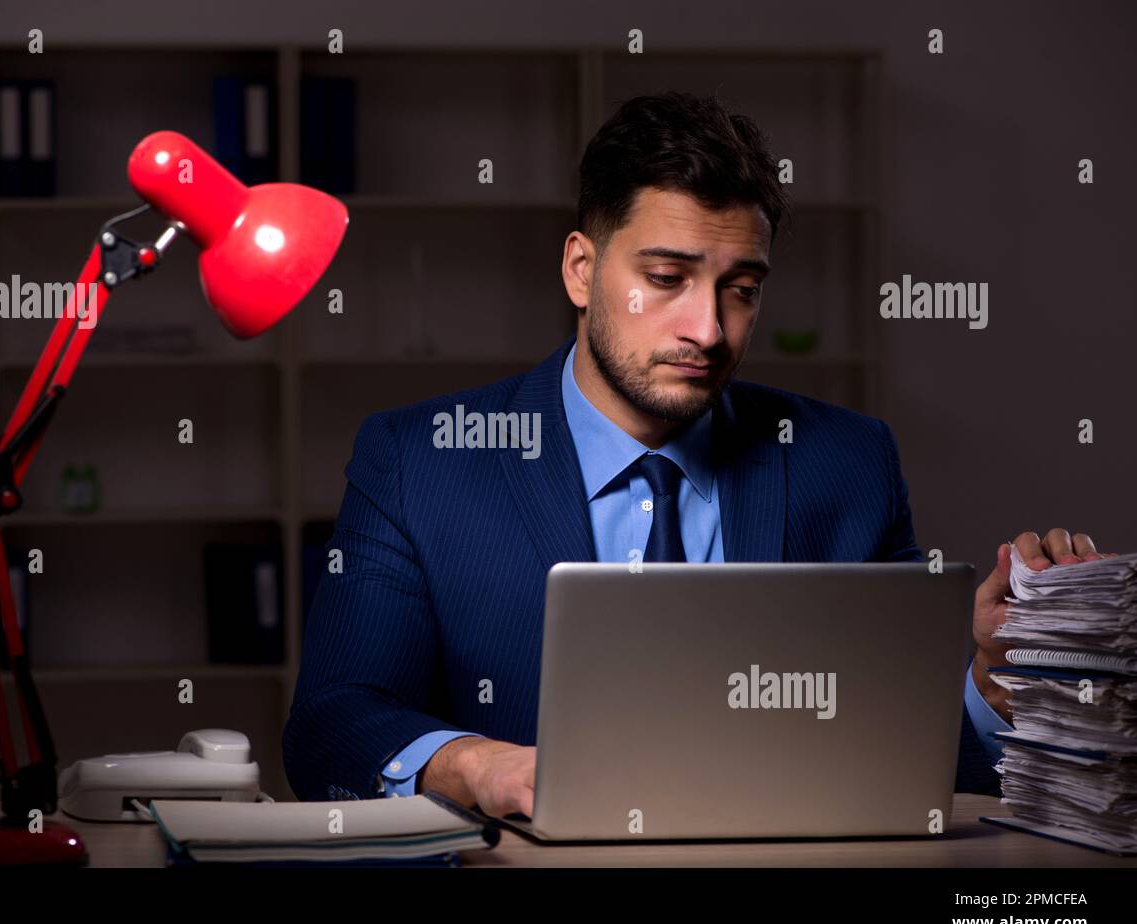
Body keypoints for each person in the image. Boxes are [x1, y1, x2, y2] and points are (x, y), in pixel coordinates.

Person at [283, 91, 1113, 816]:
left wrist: (990, 677)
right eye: (668, 277)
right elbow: (331, 725)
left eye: (740, 290)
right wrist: (474, 764)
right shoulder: (420, 461)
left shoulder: (849, 464)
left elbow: (914, 766)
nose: (709, 329)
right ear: (581, 269)